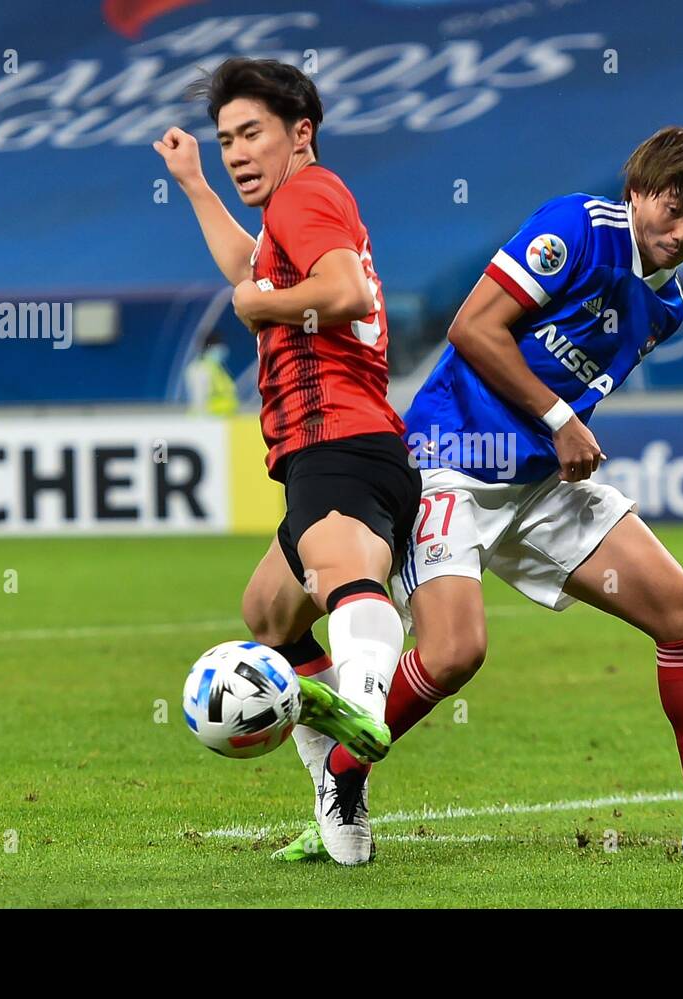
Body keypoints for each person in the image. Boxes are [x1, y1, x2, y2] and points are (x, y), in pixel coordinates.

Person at [276, 126, 683, 863]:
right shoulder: (577, 229)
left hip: (538, 482)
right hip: (448, 463)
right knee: (456, 651)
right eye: (673, 209)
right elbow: (473, 327)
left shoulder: (667, 307)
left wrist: (559, 432)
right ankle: (344, 767)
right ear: (637, 194)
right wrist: (561, 420)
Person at [154, 58, 420, 864]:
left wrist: (260, 307)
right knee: (270, 612)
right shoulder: (292, 216)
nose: (235, 151)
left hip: (336, 438)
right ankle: (339, 803)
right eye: (225, 138)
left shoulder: (309, 193)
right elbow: (249, 271)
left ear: (300, 133)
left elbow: (345, 293)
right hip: (335, 446)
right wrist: (196, 185)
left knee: (341, 575)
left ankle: (362, 709)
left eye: (250, 134)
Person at [183, 332, 239, 416]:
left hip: (222, 420)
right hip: (207, 421)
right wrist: (203, 422)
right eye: (218, 346)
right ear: (209, 348)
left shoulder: (218, 368)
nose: (221, 350)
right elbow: (199, 400)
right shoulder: (200, 369)